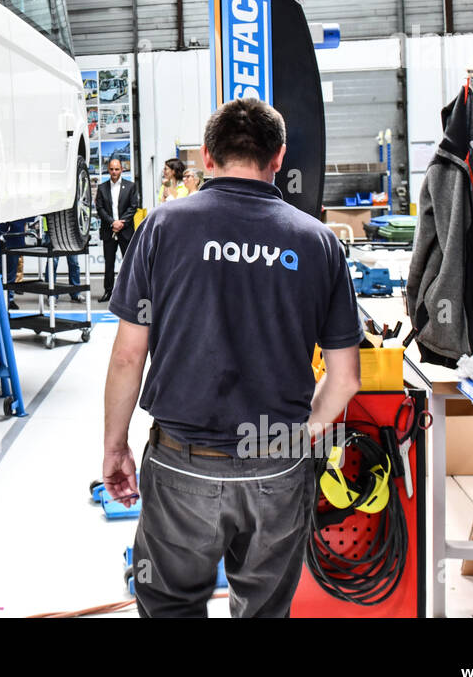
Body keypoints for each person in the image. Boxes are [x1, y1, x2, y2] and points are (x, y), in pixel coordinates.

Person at [101, 97, 362, 618]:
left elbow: (129, 357)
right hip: (279, 470)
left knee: (171, 604)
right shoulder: (318, 242)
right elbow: (346, 380)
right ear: (279, 158)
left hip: (183, 465)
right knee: (265, 609)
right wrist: (299, 437)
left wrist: (115, 448)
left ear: (207, 158)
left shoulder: (161, 228)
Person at [94, 157, 138, 301]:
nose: (114, 172)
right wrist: (112, 222)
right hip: (109, 231)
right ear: (108, 170)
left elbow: (133, 207)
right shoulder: (102, 188)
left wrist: (121, 223)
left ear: (122, 169)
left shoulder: (131, 186)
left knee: (128, 263)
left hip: (125, 231)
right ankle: (108, 292)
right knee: (109, 263)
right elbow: (100, 208)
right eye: (112, 169)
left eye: (117, 169)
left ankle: (130, 292)